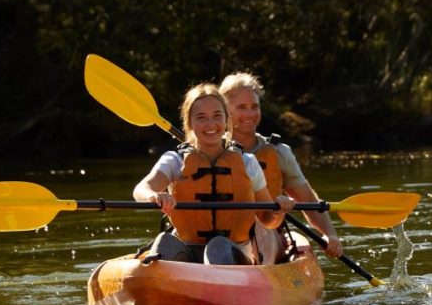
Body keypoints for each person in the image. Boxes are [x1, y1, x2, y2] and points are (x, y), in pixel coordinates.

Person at [132, 82, 292, 264]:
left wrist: (279, 211)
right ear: (189, 123)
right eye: (201, 117)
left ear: (227, 120)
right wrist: (153, 196)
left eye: (217, 116)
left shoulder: (247, 162)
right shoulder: (175, 160)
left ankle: (216, 278)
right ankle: (163, 279)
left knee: (218, 245)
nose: (210, 124)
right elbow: (141, 189)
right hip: (189, 254)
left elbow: (268, 219)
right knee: (164, 242)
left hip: (235, 254)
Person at [220, 71, 344, 263]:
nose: (250, 114)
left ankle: (249, 266)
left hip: (268, 236)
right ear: (225, 110)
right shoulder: (208, 151)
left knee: (259, 227)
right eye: (241, 107)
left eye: (255, 107)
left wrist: (330, 234)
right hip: (220, 236)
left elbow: (307, 200)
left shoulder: (279, 153)